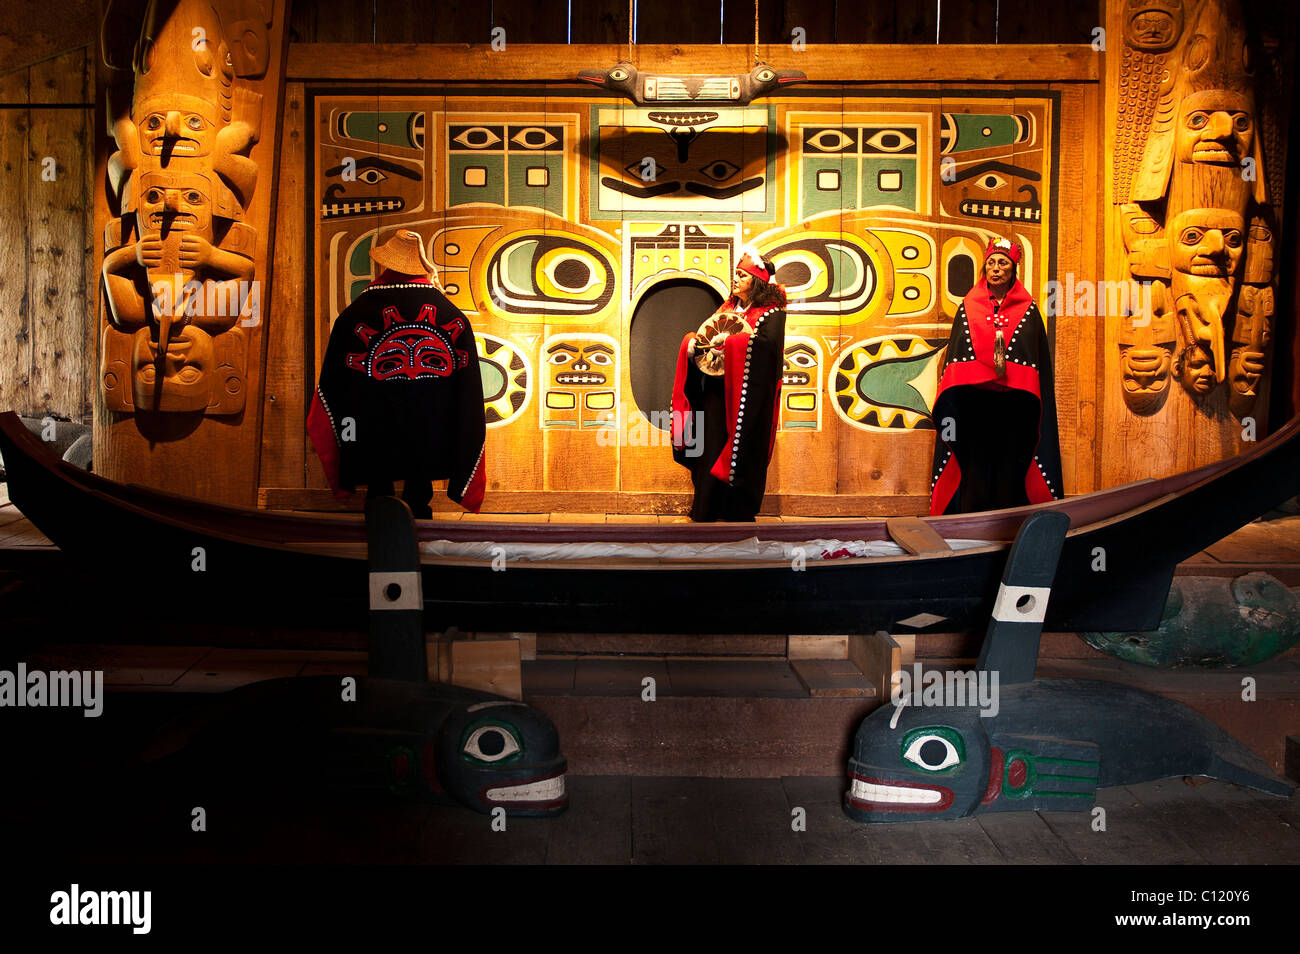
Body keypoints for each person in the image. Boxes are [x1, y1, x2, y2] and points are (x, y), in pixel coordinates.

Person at [308, 229, 486, 517]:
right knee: (424, 451)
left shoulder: (354, 315)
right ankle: (419, 506)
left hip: (373, 421)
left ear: (385, 265)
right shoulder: (452, 316)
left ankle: (380, 507)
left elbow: (337, 383)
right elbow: (465, 389)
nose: (413, 368)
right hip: (431, 422)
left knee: (377, 448)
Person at [930, 237, 1063, 515]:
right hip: (975, 405)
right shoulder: (968, 306)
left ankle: (1007, 524)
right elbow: (957, 357)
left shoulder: (1028, 309)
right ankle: (971, 524)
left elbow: (1033, 358)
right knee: (975, 465)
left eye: (1003, 263)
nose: (996, 268)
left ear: (1013, 269)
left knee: (1010, 466)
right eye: (991, 263)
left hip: (1015, 407)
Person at [671, 247, 787, 521]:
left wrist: (733, 343)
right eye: (735, 274)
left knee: (740, 447)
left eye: (741, 275)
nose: (735, 280)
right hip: (717, 390)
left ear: (756, 281)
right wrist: (691, 344)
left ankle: (736, 509)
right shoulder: (727, 308)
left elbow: (768, 349)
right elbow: (707, 336)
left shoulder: (772, 313)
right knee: (710, 445)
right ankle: (707, 507)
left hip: (747, 397)